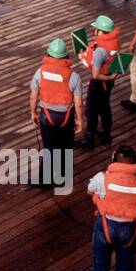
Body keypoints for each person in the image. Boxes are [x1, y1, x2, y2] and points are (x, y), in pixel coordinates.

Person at [28, 38, 84, 187]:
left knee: (49, 147)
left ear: (48, 54)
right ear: (66, 56)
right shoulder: (74, 77)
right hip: (66, 116)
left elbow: (34, 95)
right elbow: (78, 102)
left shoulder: (40, 72)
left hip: (47, 115)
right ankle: (63, 177)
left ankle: (44, 180)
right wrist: (80, 120)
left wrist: (33, 112)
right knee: (66, 146)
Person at [78, 15, 120, 149]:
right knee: (105, 107)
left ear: (101, 31)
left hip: (100, 83)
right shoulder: (114, 41)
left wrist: (82, 57)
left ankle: (89, 139)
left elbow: (95, 75)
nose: (94, 30)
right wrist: (111, 77)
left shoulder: (100, 51)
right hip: (108, 81)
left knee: (91, 110)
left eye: (96, 28)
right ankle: (106, 135)